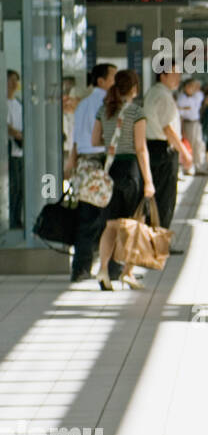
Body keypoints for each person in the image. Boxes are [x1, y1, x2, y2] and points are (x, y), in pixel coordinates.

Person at [93, 70, 153, 291]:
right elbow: (140, 148)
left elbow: (94, 139)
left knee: (110, 225)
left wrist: (111, 139)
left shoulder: (103, 110)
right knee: (134, 224)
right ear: (135, 88)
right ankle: (127, 272)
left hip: (110, 169)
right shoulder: (136, 112)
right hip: (130, 170)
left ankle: (103, 269)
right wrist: (148, 181)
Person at [66, 63, 116, 282]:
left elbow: (75, 140)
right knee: (107, 219)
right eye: (114, 77)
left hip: (84, 166)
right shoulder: (108, 103)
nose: (116, 81)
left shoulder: (83, 104)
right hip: (102, 164)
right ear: (101, 81)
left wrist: (71, 165)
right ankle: (109, 267)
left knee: (85, 217)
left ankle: (80, 268)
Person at [142, 67, 192, 251]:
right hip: (162, 150)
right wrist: (184, 153)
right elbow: (168, 129)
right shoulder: (162, 95)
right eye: (175, 74)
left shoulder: (154, 93)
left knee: (157, 199)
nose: (178, 78)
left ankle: (154, 242)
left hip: (154, 148)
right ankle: (159, 244)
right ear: (163, 75)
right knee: (165, 199)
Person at [177, 77, 204, 175]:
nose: (193, 88)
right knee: (189, 145)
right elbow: (179, 111)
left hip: (196, 122)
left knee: (198, 144)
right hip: (187, 123)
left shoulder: (196, 96)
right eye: (190, 86)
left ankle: (197, 165)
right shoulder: (182, 98)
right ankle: (187, 167)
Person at [6, 70, 21, 230]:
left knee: (19, 188)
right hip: (9, 151)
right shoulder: (4, 104)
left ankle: (16, 220)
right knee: (12, 186)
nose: (14, 84)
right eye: (11, 81)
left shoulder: (18, 104)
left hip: (20, 152)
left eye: (16, 81)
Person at [61, 77, 78, 161]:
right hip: (64, 142)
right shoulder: (61, 100)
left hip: (72, 143)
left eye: (69, 84)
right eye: (65, 84)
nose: (66, 87)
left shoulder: (74, 99)